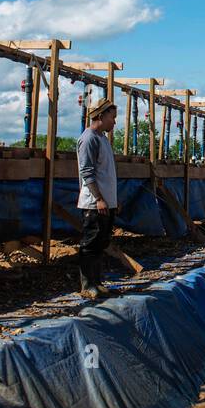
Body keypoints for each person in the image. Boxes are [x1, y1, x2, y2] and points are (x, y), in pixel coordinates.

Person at [76, 98, 118, 300]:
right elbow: (87, 172)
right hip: (94, 204)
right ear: (100, 116)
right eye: (112, 117)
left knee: (101, 243)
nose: (114, 122)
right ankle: (87, 285)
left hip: (106, 202)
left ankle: (97, 282)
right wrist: (99, 199)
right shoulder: (89, 139)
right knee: (90, 244)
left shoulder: (102, 139)